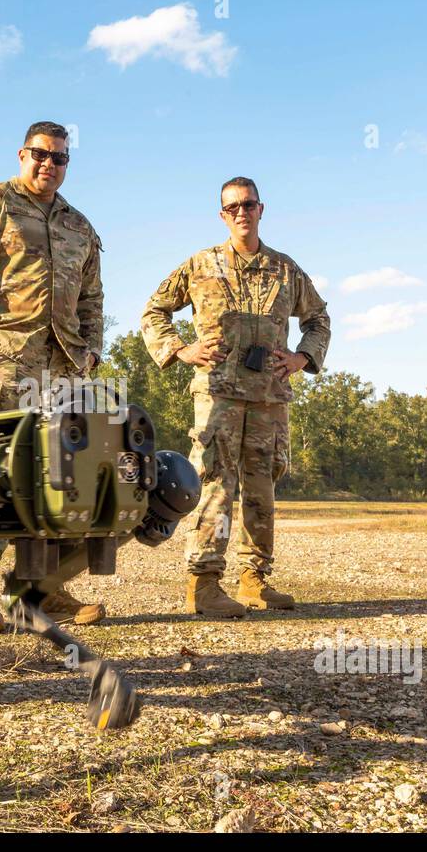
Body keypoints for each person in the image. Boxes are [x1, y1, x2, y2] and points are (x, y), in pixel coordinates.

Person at [0, 121, 105, 632]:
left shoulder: (79, 226)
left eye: (60, 158)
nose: (49, 165)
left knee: (61, 479)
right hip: (4, 358)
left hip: (64, 366)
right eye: (40, 154)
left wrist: (92, 349)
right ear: (22, 153)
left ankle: (40, 590)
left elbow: (92, 295)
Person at [142, 177, 330, 618]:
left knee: (262, 489)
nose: (241, 212)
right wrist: (180, 349)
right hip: (219, 394)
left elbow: (319, 318)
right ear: (222, 215)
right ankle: (204, 584)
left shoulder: (285, 269)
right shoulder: (201, 264)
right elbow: (154, 310)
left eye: (248, 204)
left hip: (269, 397)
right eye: (232, 207)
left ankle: (255, 580)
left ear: (261, 209)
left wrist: (303, 357)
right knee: (216, 486)